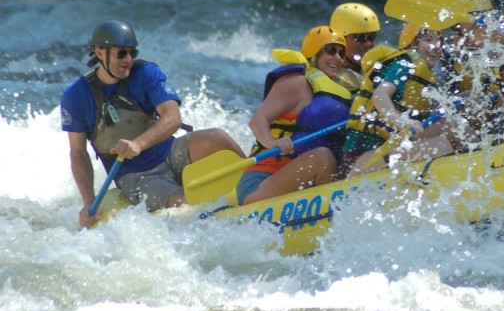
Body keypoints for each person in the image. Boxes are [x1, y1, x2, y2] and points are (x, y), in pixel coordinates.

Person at [61, 20, 245, 229]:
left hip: (169, 151)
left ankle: (256, 183)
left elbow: (172, 118)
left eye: (132, 52)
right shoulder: (75, 96)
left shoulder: (146, 73)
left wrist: (138, 144)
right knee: (186, 204)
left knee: (217, 138)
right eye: (122, 53)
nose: (128, 60)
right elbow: (78, 153)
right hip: (137, 175)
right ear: (100, 52)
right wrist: (88, 202)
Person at [235, 26, 352, 205]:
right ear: (314, 53)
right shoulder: (296, 82)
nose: (337, 57)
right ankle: (333, 213)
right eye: (330, 50)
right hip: (262, 180)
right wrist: (271, 142)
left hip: (301, 179)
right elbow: (258, 121)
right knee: (322, 157)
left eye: (342, 53)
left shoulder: (342, 93)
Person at [343, 23, 455, 176]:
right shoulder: (402, 64)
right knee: (441, 145)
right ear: (412, 44)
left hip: (387, 149)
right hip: (361, 159)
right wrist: (402, 121)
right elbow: (379, 96)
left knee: (454, 126)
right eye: (428, 40)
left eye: (439, 42)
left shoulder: (426, 77)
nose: (436, 47)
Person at [329, 2, 381, 92]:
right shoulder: (326, 73)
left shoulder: (380, 69)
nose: (368, 44)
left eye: (372, 37)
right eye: (361, 38)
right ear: (341, 40)